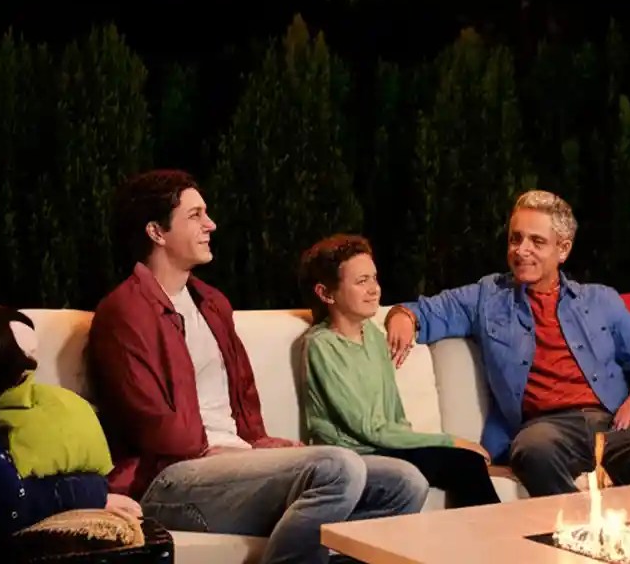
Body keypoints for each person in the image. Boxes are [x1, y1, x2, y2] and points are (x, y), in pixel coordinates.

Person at [87, 169, 429, 564]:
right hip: (170, 479)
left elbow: (245, 402)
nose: (210, 225)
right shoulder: (124, 312)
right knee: (338, 467)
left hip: (232, 465)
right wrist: (217, 451)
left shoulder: (211, 303)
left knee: (403, 482)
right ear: (156, 232)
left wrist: (261, 449)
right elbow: (152, 426)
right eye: (195, 215)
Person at [382, 190, 630, 497]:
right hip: (544, 427)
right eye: (516, 239)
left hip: (611, 421)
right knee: (534, 452)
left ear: (563, 249)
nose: (521, 250)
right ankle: (576, 533)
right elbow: (428, 311)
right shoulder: (488, 297)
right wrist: (403, 316)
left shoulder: (600, 300)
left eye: (536, 242)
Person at [298, 233, 502, 509]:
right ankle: (496, 542)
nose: (374, 289)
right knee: (464, 462)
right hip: (354, 454)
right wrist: (450, 441)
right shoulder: (321, 345)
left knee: (467, 462)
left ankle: (491, 542)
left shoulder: (372, 334)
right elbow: (367, 428)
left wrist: (432, 444)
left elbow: (395, 417)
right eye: (361, 281)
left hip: (385, 445)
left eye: (374, 278)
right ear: (325, 293)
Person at [0, 306, 142, 553]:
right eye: (22, 360)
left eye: (32, 358)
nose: (28, 371)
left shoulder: (37, 416)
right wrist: (95, 496)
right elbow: (14, 501)